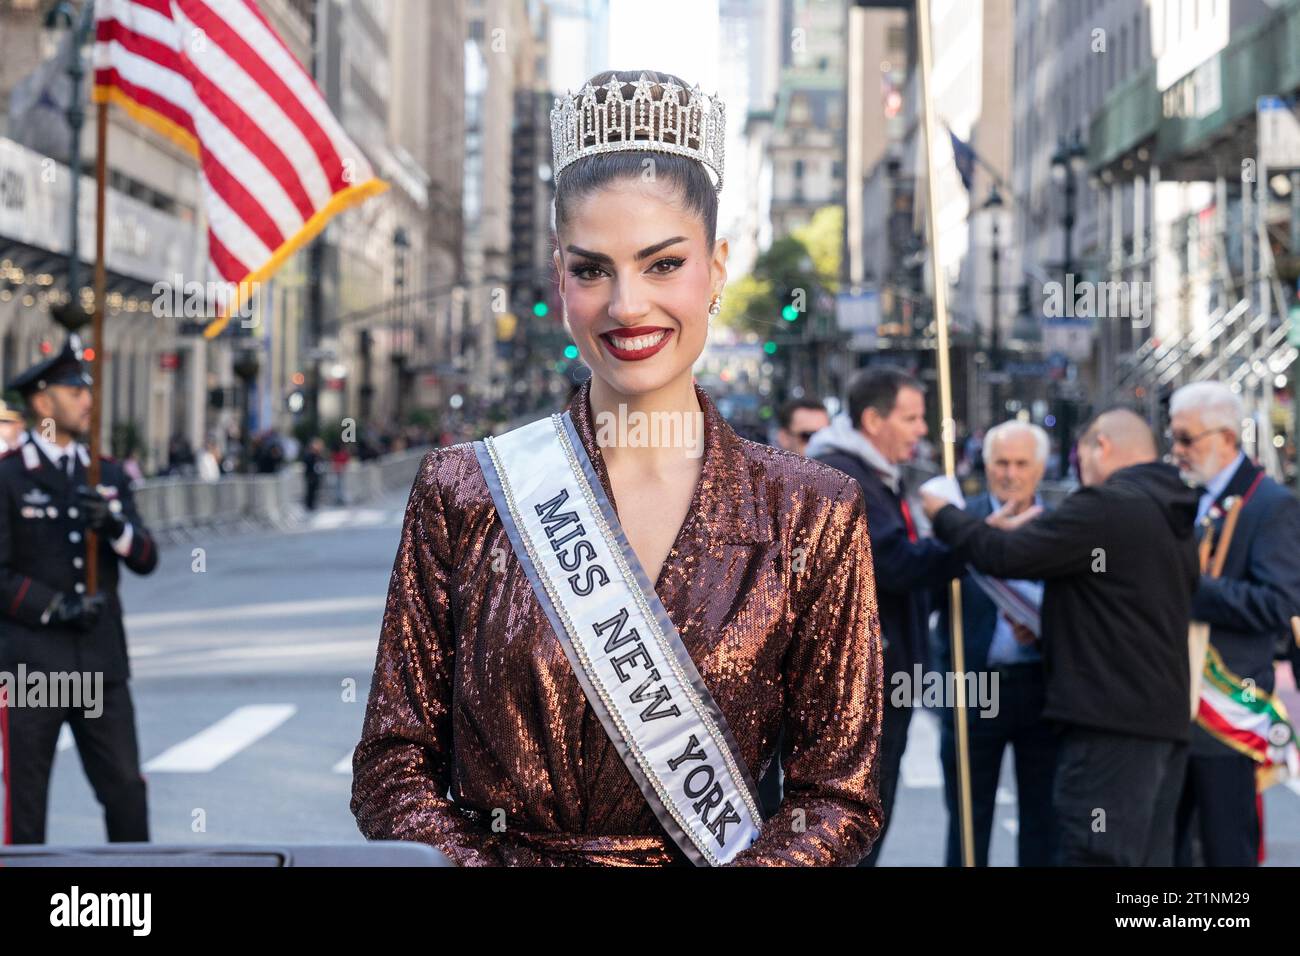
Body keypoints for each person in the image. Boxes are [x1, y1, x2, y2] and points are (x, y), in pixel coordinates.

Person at [351, 69, 883, 867]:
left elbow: (837, 795)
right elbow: (392, 769)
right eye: (592, 269)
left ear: (718, 266)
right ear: (559, 273)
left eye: (664, 264)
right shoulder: (465, 490)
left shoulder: (812, 511)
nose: (627, 306)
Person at [922, 408, 1198, 866]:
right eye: (1000, 463)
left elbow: (1003, 553)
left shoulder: (1109, 505)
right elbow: (1118, 607)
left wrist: (942, 512)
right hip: (1156, 723)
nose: (1079, 471)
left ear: (1101, 447)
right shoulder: (1169, 511)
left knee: (1091, 853)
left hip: (1106, 725)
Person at [0, 336, 159, 844]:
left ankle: (134, 897)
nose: (87, 400)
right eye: (75, 390)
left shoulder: (106, 473)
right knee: (26, 804)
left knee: (127, 794)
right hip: (32, 669)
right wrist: (57, 607)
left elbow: (147, 559)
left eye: (87, 390)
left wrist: (114, 527)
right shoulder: (8, 478)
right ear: (43, 402)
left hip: (99, 663)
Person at [806, 366, 962, 866]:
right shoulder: (847, 478)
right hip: (864, 685)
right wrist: (965, 535)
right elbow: (895, 565)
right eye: (912, 417)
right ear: (873, 419)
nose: (922, 430)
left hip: (883, 677)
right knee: (859, 819)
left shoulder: (870, 475)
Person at [1167, 382, 1300, 866]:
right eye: (1174, 439)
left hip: (1228, 705)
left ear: (1225, 438)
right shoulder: (1184, 496)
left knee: (1226, 850)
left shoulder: (1270, 503)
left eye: (1188, 439)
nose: (1177, 451)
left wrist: (1192, 589)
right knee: (1173, 850)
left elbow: (1279, 602)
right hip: (1175, 701)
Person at [931, 420, 1057, 867]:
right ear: (985, 467)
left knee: (1043, 821)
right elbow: (926, 588)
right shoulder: (959, 522)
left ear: (1040, 469)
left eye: (1021, 463)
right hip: (972, 688)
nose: (1010, 473)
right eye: (1001, 462)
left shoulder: (1060, 526)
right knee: (967, 822)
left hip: (1041, 687)